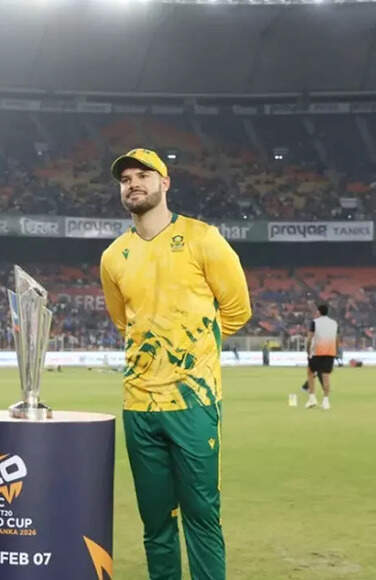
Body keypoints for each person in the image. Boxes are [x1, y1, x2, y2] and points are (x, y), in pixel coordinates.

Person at [99, 148, 251, 580]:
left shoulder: (203, 239)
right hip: (139, 406)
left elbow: (237, 310)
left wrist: (194, 350)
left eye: (143, 175)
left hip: (193, 402)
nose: (133, 184)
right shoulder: (113, 256)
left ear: (164, 183)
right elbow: (124, 322)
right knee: (156, 523)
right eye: (126, 179)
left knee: (202, 516)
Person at [305, 304, 338, 410]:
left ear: (318, 312)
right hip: (330, 352)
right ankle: (326, 401)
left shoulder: (315, 322)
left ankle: (312, 398)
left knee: (310, 372)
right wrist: (336, 351)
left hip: (317, 352)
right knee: (326, 376)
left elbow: (310, 338)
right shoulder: (334, 323)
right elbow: (336, 338)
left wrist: (307, 349)